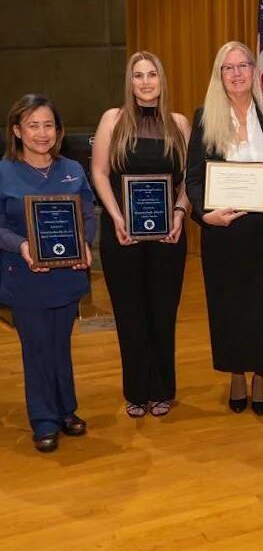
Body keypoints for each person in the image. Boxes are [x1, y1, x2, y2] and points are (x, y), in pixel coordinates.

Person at [185, 41, 263, 414]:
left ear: (254, 70)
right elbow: (193, 178)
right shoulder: (204, 117)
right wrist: (204, 215)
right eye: (228, 67)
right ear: (219, 74)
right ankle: (236, 375)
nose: (236, 73)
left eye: (242, 65)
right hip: (223, 231)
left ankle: (262, 375)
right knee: (229, 307)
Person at [91, 51, 191, 418]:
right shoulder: (112, 120)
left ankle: (162, 389)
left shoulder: (179, 124)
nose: (146, 82)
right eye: (138, 75)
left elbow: (189, 180)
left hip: (169, 237)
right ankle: (136, 391)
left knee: (162, 314)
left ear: (162, 80)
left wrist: (179, 212)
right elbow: (100, 173)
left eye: (152, 74)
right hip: (122, 235)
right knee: (130, 315)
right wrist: (116, 217)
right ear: (129, 82)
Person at [0, 94, 96, 452]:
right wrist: (21, 245)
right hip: (25, 276)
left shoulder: (72, 169)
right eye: (33, 125)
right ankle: (43, 420)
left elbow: (87, 213)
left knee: (60, 346)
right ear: (17, 131)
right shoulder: (3, 172)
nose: (42, 133)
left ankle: (66, 410)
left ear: (59, 130)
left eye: (48, 125)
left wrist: (84, 243)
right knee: (37, 347)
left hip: (66, 276)